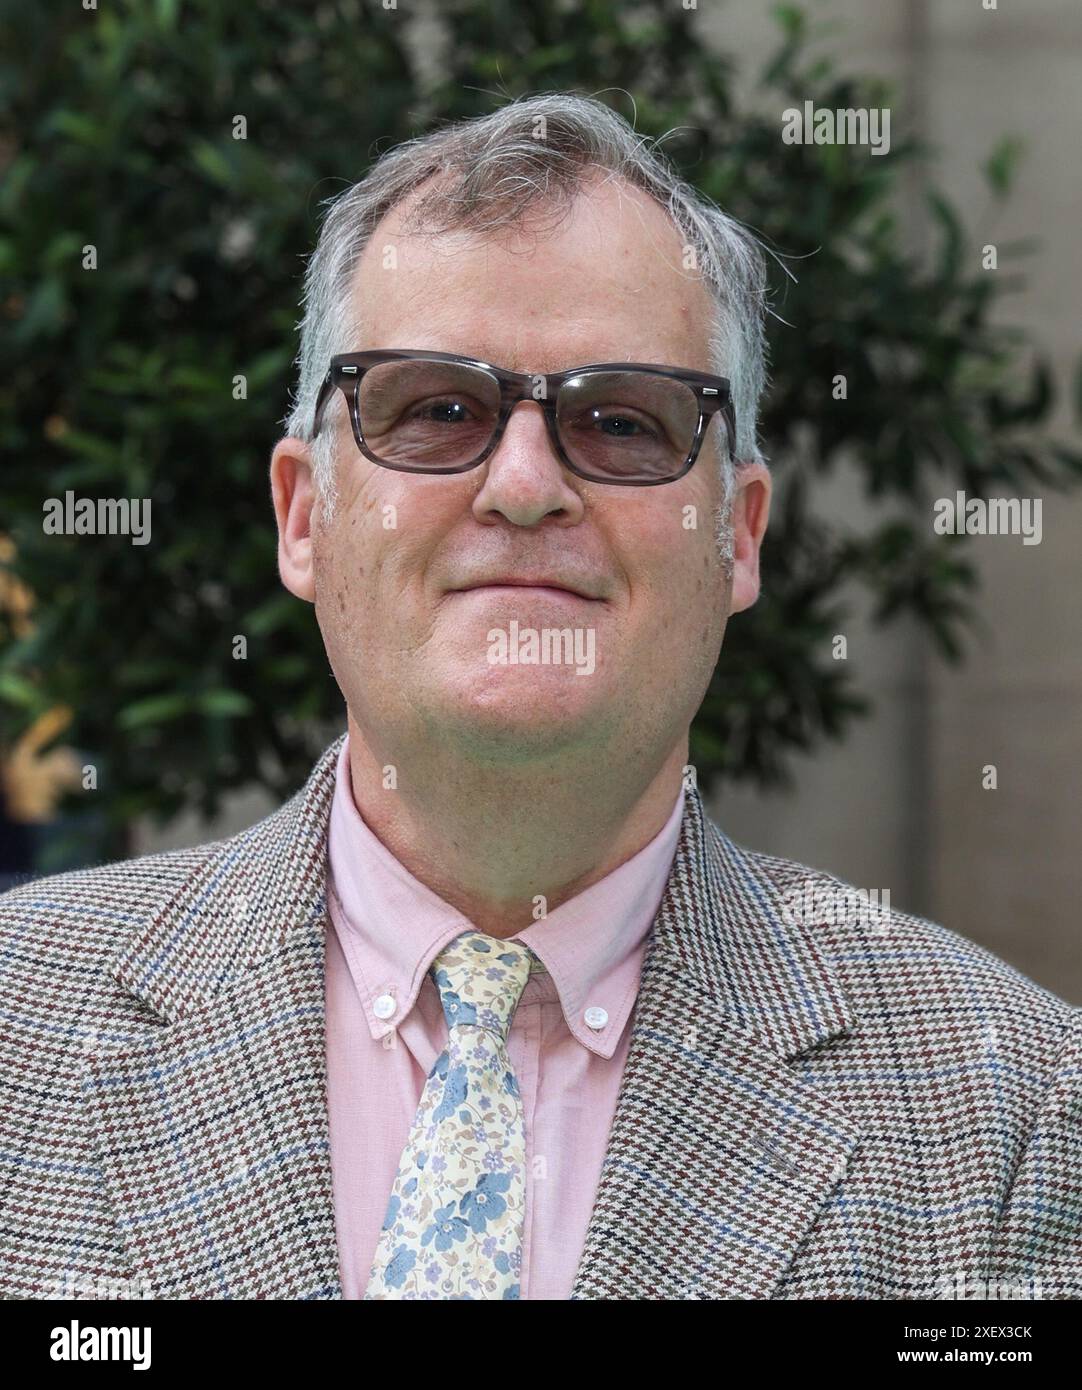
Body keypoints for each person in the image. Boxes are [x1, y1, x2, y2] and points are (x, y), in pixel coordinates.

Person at [1, 94, 1078, 1302]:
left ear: (737, 535)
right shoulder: (15, 1024)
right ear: (304, 515)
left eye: (619, 421)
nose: (522, 484)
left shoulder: (1009, 1109)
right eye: (437, 409)